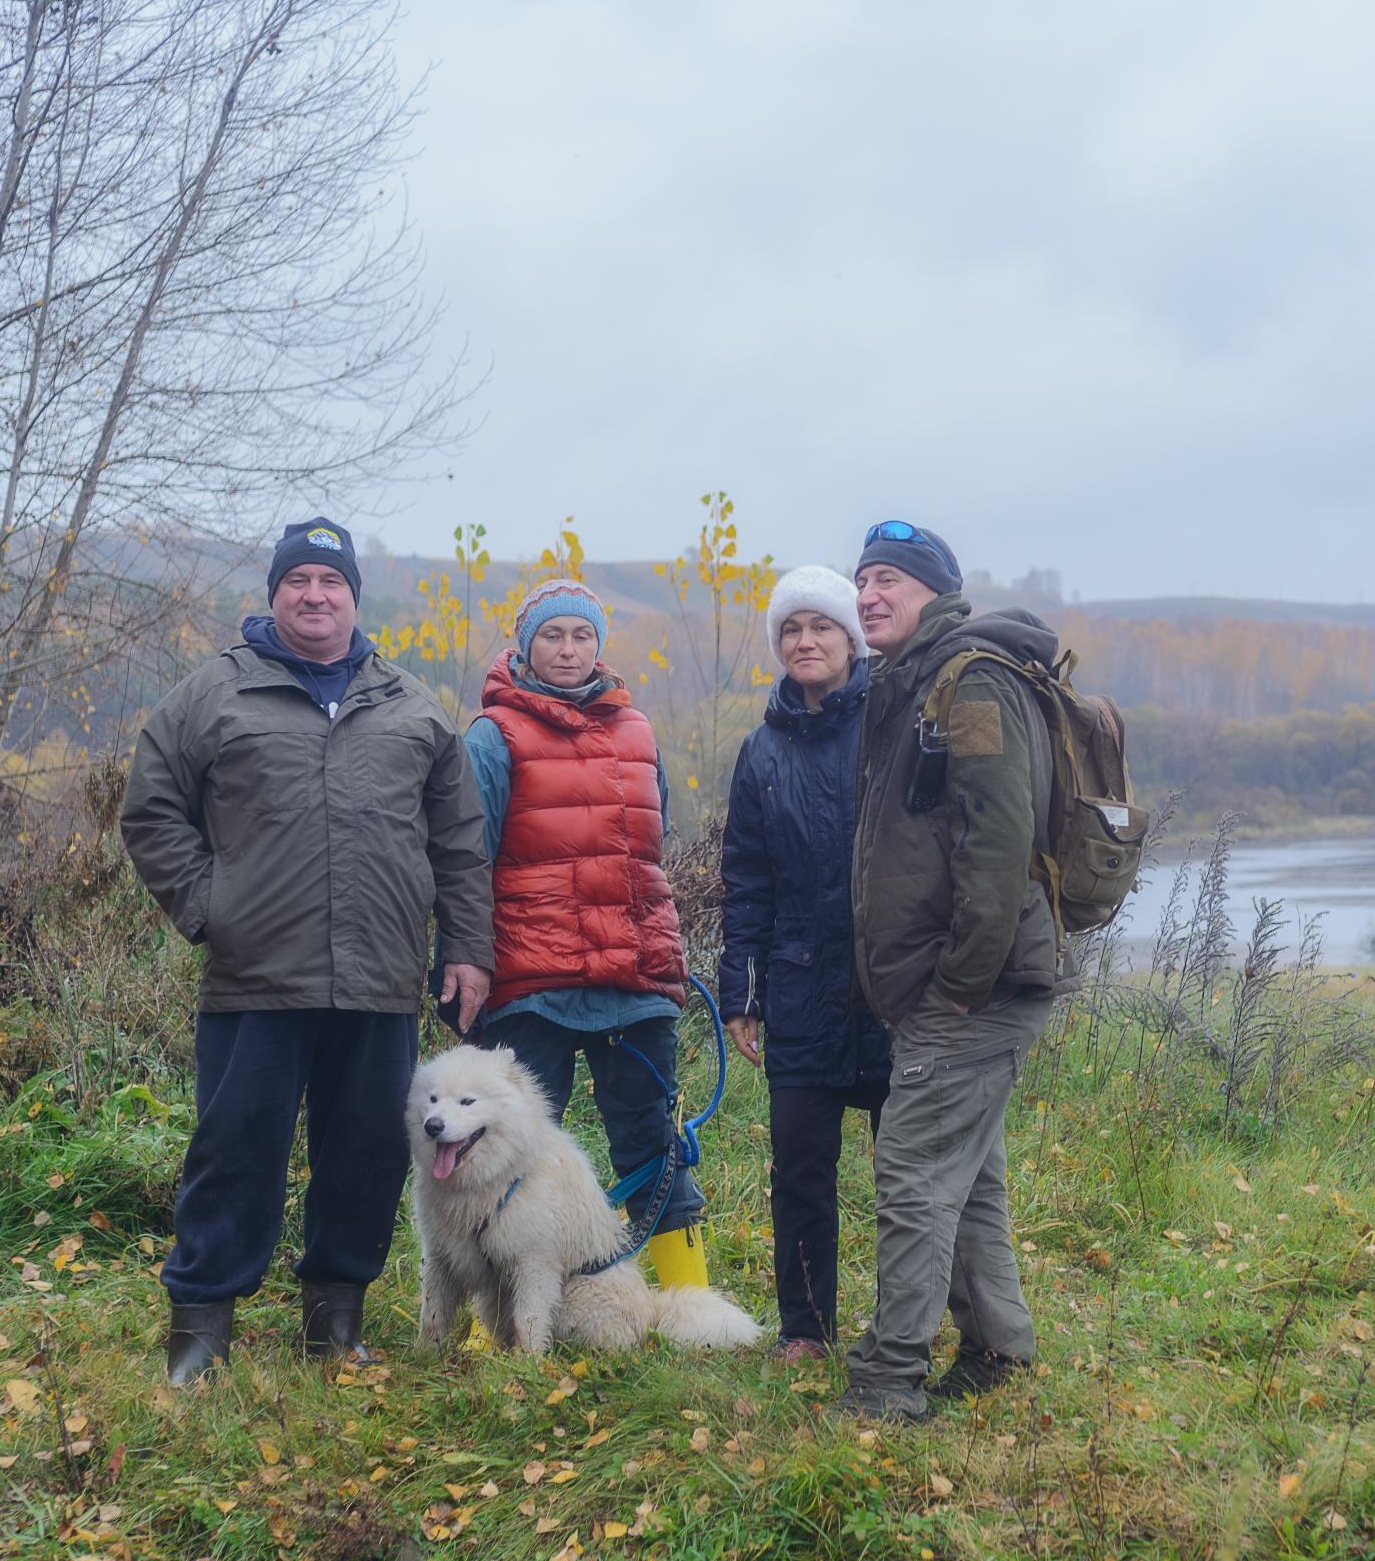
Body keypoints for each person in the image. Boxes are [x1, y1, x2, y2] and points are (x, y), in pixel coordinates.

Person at [120, 517, 494, 1386]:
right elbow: (149, 806)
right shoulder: (216, 693)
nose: (315, 596)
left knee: (365, 1150)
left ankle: (335, 1325)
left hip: (379, 977)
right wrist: (209, 906)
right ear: (275, 594)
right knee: (234, 1148)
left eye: (332, 583)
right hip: (256, 974)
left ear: (355, 598)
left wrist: (466, 949)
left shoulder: (410, 705)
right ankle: (201, 1331)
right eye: (299, 582)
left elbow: (460, 843)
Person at [837, 520, 1072, 1422]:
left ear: (935, 589)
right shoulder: (912, 682)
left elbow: (998, 839)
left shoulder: (968, 680)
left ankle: (889, 1379)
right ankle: (1000, 1349)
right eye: (862, 580)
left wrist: (960, 982)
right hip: (957, 985)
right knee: (965, 1174)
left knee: (913, 1173)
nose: (868, 595)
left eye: (888, 578)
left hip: (972, 989)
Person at [455, 578, 711, 1287]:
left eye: (582, 636)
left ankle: (688, 1295)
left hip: (631, 977)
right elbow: (465, 859)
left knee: (652, 1141)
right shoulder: (492, 735)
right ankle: (497, 1308)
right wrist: (464, 960)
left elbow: (644, 850)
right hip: (531, 982)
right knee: (506, 1148)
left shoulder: (636, 730)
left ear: (598, 645)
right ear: (525, 645)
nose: (568, 650)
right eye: (552, 635)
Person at [718, 566, 891, 1360]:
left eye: (821, 626)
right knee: (800, 1173)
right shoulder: (761, 751)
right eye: (790, 629)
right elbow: (746, 882)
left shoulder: (892, 724)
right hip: (798, 989)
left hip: (894, 988)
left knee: (910, 1175)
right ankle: (805, 1330)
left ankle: (907, 1323)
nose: (805, 641)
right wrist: (742, 996)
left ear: (851, 639)